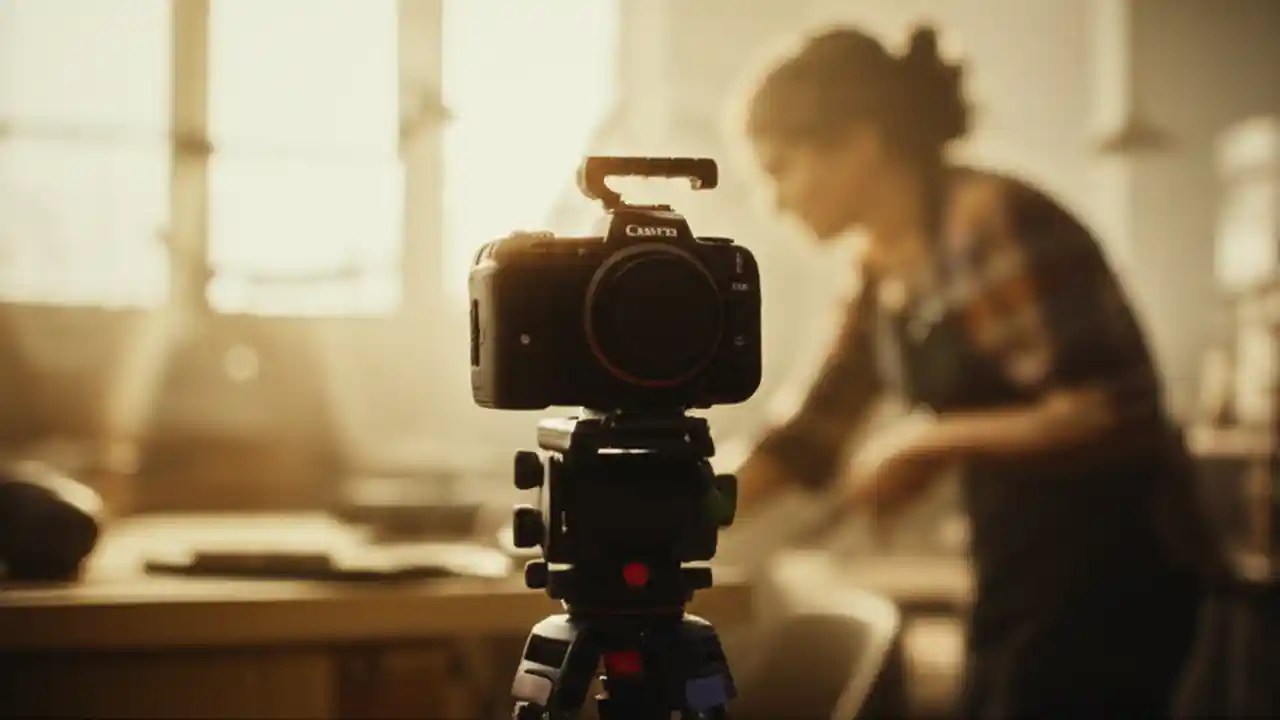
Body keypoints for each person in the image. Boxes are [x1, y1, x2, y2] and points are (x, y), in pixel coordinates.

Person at [733, 25, 1225, 719]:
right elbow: (808, 438)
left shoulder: (989, 220)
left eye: (781, 167)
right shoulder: (878, 273)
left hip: (1117, 572)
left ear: (860, 143)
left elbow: (1114, 410)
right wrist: (673, 513)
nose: (775, 200)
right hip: (1016, 570)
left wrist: (925, 441)